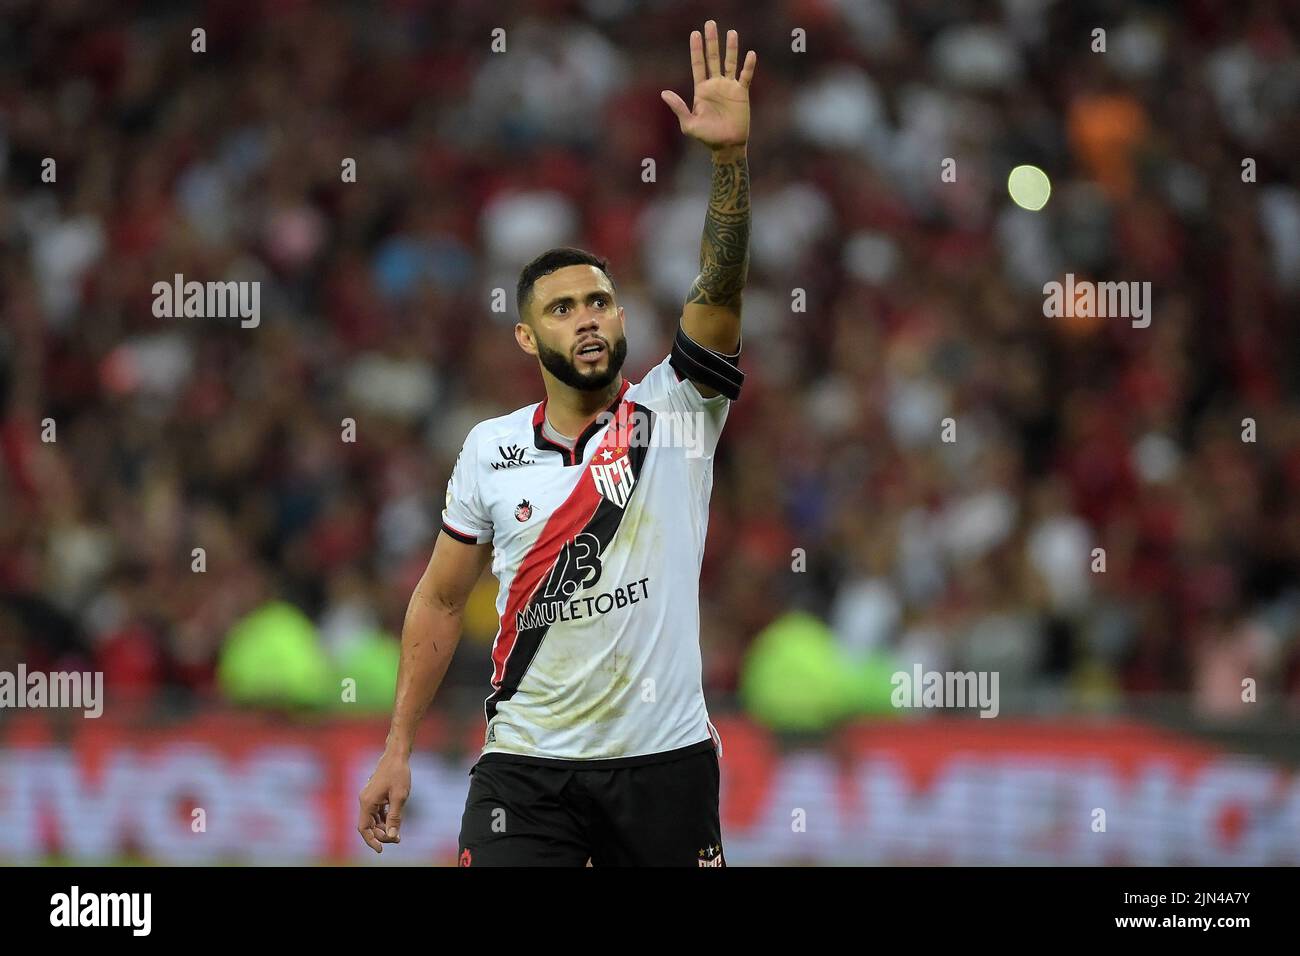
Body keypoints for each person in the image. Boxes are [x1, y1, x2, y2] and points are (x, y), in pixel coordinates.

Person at [357, 19, 757, 866]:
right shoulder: (487, 451)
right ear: (526, 341)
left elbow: (718, 293)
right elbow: (436, 600)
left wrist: (727, 165)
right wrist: (397, 746)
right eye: (562, 309)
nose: (587, 319)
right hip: (527, 771)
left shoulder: (678, 409)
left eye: (600, 302)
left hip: (666, 766)